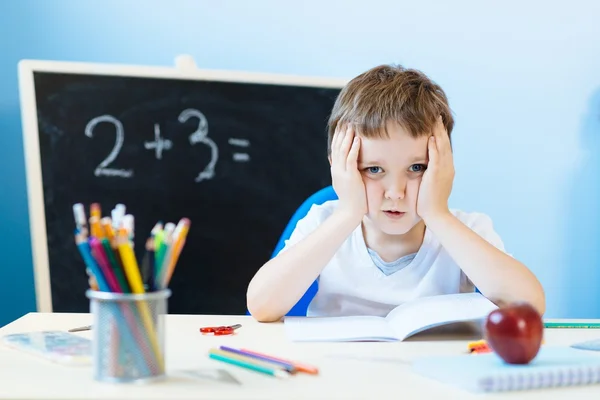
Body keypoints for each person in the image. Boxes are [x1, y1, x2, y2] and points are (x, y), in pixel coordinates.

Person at [246, 64, 545, 322]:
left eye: (416, 167)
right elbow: (261, 306)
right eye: (374, 169)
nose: (395, 192)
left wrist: (438, 214)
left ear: (443, 168)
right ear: (340, 169)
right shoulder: (323, 220)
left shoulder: (467, 230)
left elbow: (530, 306)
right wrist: (349, 213)